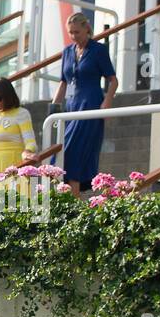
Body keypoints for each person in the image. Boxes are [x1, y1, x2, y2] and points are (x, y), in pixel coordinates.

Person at [54, 12, 117, 195]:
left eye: (77, 32)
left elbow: (113, 80)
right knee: (65, 155)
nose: (74, 36)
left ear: (86, 29)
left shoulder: (98, 50)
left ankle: (74, 204)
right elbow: (63, 82)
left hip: (90, 106)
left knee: (73, 154)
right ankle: (72, 202)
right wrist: (54, 106)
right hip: (71, 108)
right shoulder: (67, 52)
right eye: (71, 33)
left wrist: (107, 102)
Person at [0, 77, 37, 175]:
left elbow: (30, 141)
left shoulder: (22, 113)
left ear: (8, 96)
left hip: (14, 164)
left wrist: (27, 151)